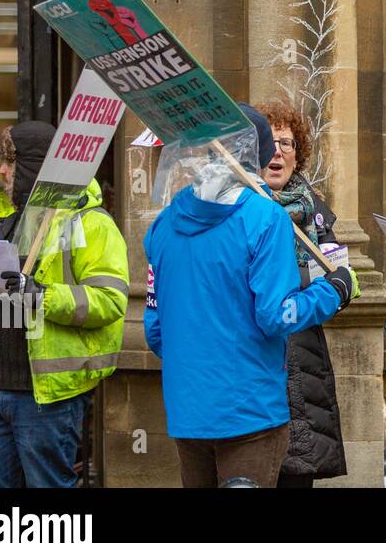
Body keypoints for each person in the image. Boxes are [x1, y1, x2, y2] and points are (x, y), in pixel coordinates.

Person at [143, 103, 356, 488]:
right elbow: (277, 316)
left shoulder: (162, 225)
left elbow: (156, 331)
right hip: (250, 411)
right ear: (255, 153)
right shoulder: (265, 218)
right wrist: (334, 291)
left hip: (188, 411)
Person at [0, 122, 129, 488]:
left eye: (10, 162)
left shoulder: (91, 223)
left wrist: (37, 294)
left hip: (48, 396)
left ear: (33, 167)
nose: (2, 171)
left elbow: (108, 300)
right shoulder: (6, 221)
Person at [258, 99, 347, 488]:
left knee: (297, 473)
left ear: (299, 154)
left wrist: (331, 284)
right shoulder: (243, 211)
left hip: (304, 359)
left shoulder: (317, 212)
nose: (278, 152)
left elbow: (338, 279)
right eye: (269, 142)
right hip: (259, 358)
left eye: (287, 143)